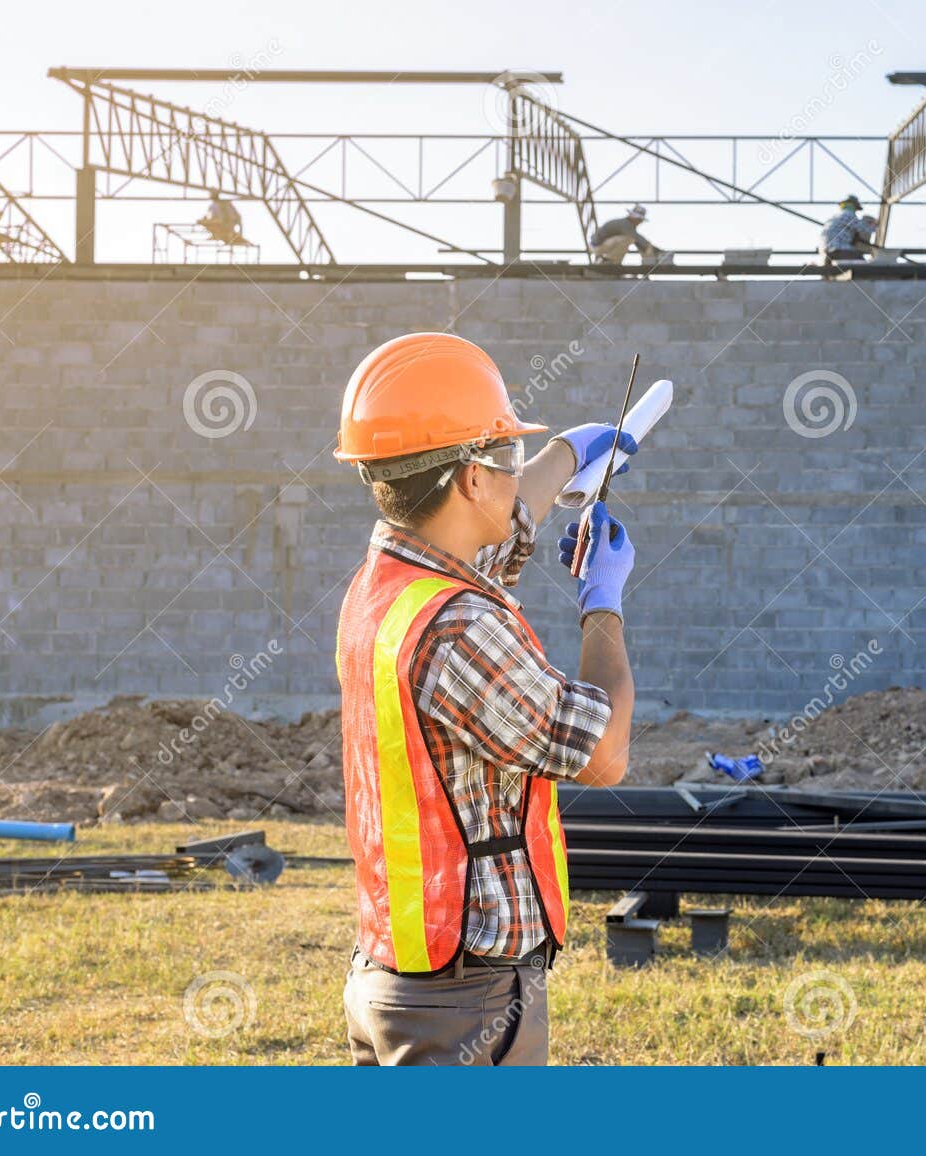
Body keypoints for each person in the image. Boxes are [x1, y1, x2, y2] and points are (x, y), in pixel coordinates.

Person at [333, 331, 639, 1066]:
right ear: (470, 479)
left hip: (400, 975)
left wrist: (571, 450)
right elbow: (604, 757)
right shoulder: (462, 626)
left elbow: (501, 526)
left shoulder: (389, 586)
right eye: (503, 455)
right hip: (463, 1001)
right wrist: (603, 601)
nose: (515, 471)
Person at [590, 204, 668, 265]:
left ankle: (610, 262)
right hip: (598, 246)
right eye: (638, 219)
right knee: (627, 239)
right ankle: (609, 262)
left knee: (629, 241)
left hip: (600, 244)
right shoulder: (625, 225)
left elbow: (639, 240)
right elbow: (638, 239)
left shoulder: (626, 225)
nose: (639, 221)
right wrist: (656, 250)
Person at [818, 194, 877, 263]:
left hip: (825, 253)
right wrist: (875, 225)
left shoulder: (835, 217)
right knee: (865, 268)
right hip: (839, 250)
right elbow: (865, 229)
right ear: (853, 206)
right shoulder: (848, 215)